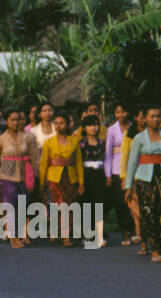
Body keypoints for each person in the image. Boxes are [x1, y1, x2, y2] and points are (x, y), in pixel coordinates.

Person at [123, 105, 161, 263]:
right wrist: (128, 186)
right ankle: (154, 249)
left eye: (158, 116)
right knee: (149, 213)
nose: (155, 119)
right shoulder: (139, 138)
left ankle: (156, 245)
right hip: (145, 179)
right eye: (152, 116)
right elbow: (132, 163)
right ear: (145, 118)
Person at [39, 113, 84, 247]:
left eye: (62, 123)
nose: (59, 126)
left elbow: (78, 163)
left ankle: (62, 233)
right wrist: (42, 183)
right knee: (60, 204)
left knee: (69, 206)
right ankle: (63, 236)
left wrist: (81, 182)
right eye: (56, 123)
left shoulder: (74, 141)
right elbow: (43, 164)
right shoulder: (49, 142)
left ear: (68, 124)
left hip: (70, 177)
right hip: (54, 178)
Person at [1, 107, 37, 247]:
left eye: (18, 119)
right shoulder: (2, 138)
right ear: (6, 121)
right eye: (13, 120)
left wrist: (36, 174)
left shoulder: (29, 137)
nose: (16, 122)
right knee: (9, 207)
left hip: (24, 176)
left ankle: (21, 234)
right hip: (6, 177)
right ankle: (12, 237)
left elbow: (35, 157)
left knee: (23, 206)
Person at [103, 102, 135, 246]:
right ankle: (124, 232)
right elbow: (108, 153)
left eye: (123, 112)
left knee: (133, 202)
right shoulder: (111, 130)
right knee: (120, 203)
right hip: (116, 170)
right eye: (117, 112)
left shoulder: (134, 127)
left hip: (133, 169)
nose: (121, 115)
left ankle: (135, 230)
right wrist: (108, 174)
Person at [121, 106, 148, 249]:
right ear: (136, 118)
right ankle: (139, 232)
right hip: (135, 173)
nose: (144, 119)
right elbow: (125, 157)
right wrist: (124, 177)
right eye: (141, 116)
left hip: (150, 172)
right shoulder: (130, 134)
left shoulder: (154, 133)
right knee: (135, 203)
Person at [79, 114, 107, 248]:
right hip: (86, 174)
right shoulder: (81, 144)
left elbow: (106, 160)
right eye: (90, 125)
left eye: (95, 124)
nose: (93, 128)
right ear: (84, 127)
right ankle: (86, 235)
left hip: (100, 174)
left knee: (99, 204)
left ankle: (100, 235)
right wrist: (81, 181)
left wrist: (107, 177)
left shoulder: (103, 143)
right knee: (87, 205)